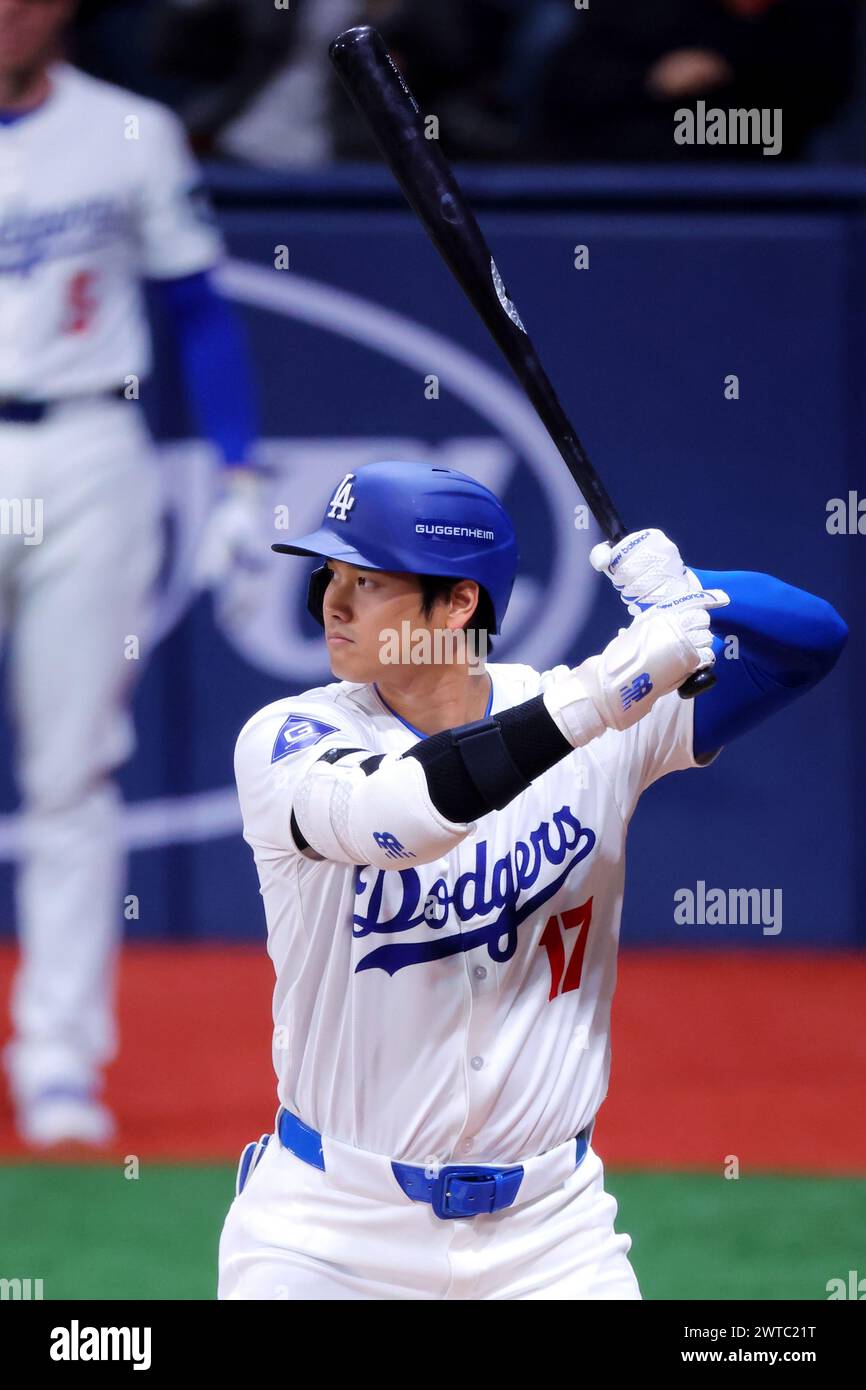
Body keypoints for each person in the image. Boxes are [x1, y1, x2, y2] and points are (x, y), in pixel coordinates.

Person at [219, 460, 846, 1300]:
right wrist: (608, 688)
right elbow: (405, 814)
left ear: (460, 602)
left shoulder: (602, 722)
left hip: (551, 1237)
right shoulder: (287, 737)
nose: (331, 602)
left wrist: (694, 588)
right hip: (328, 1233)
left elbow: (810, 642)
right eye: (330, 574)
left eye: (366, 580)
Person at [0, 0, 262, 1149]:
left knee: (73, 769)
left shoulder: (130, 131)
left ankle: (58, 1056)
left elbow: (199, 308)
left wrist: (242, 468)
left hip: (90, 447)